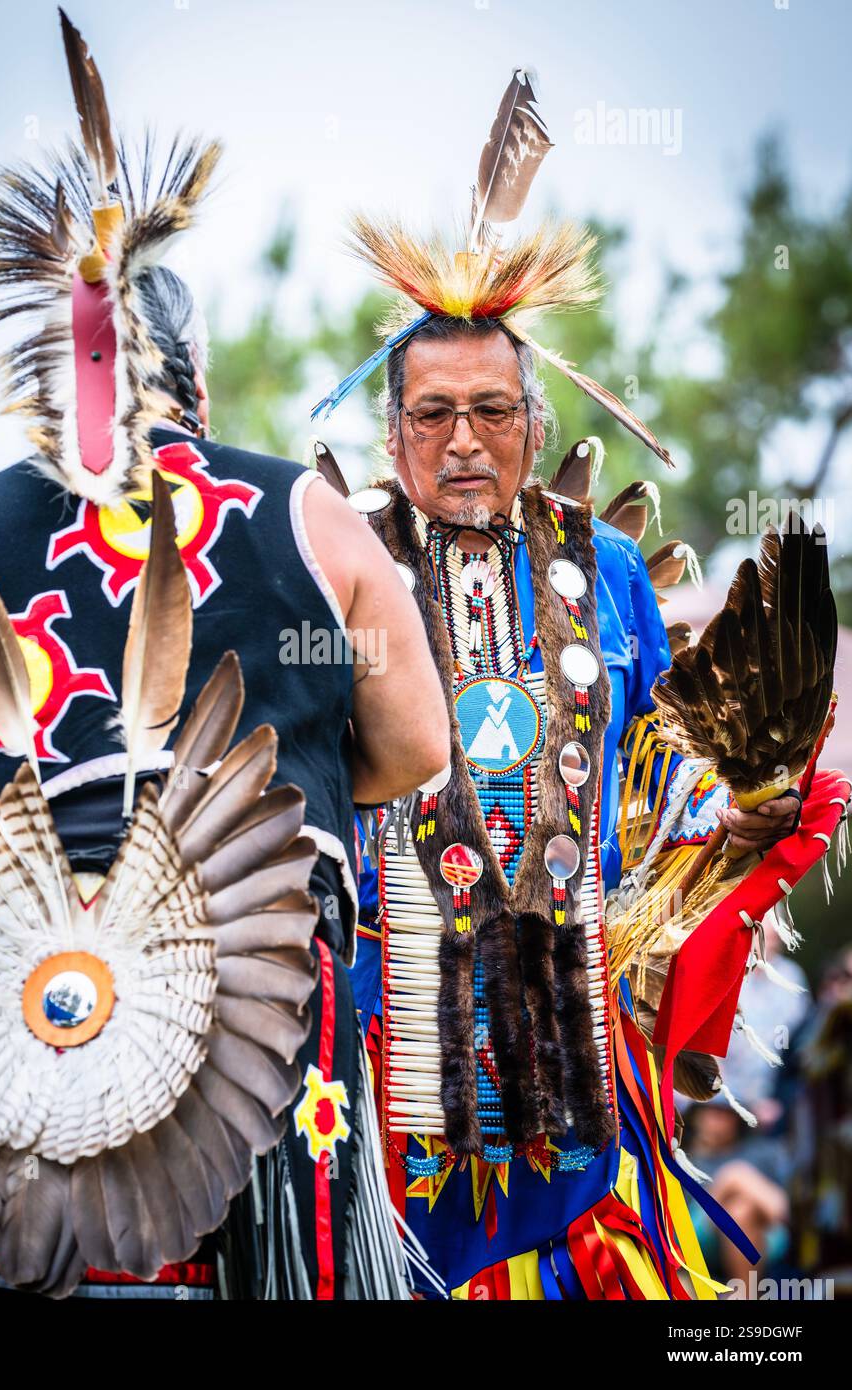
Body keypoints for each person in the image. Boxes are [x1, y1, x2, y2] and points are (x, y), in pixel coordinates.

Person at [0, 10, 448, 1302]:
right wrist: (294, 785)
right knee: (285, 1259)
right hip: (254, 971)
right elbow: (421, 744)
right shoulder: (304, 518)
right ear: (199, 380)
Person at [311, 69, 843, 1299]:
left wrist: (735, 830)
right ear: (393, 434)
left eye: (489, 411)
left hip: (578, 1019)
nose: (460, 441)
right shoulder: (349, 560)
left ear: (533, 424)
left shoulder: (599, 567)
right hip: (396, 1037)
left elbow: (671, 777)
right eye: (432, 413)